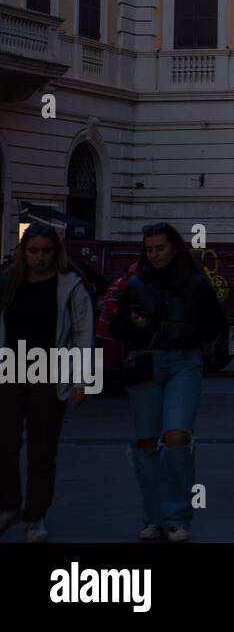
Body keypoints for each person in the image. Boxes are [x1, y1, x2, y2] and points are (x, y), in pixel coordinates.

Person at [113, 222, 226, 542]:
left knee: (176, 435)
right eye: (149, 249)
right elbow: (119, 327)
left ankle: (176, 516)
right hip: (146, 363)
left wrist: (196, 339)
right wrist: (135, 325)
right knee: (148, 442)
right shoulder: (136, 284)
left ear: (174, 247)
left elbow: (217, 324)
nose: (155, 254)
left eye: (160, 248)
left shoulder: (195, 284)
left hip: (184, 362)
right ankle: (153, 516)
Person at [0, 224, 94, 542]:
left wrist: (82, 380)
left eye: (46, 251)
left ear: (56, 252)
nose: (40, 258)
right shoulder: (7, 282)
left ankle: (35, 517)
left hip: (50, 373)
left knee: (43, 450)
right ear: (23, 252)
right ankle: (10, 505)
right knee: (5, 444)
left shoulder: (70, 285)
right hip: (9, 371)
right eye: (34, 251)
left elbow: (83, 333)